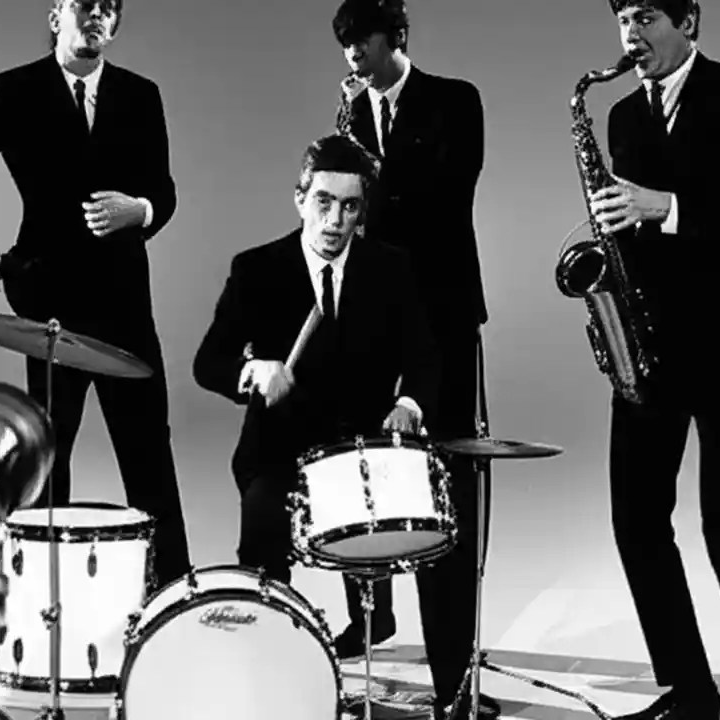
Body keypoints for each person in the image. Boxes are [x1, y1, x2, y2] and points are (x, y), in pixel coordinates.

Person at [0, 0, 192, 588]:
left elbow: (162, 189)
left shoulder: (142, 94)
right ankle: (40, 596)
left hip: (123, 306)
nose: (99, 17)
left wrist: (137, 210)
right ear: (56, 13)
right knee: (46, 458)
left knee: (149, 456)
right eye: (86, 5)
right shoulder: (15, 91)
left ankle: (173, 592)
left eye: (110, 9)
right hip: (49, 303)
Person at [194, 133, 477, 720]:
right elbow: (208, 362)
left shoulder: (390, 267)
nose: (335, 219)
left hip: (367, 449)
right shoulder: (257, 269)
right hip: (282, 454)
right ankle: (274, 681)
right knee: (264, 531)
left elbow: (427, 355)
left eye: (350, 206)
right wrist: (253, 371)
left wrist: (412, 403)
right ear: (300, 198)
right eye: (323, 202)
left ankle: (453, 693)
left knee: (443, 537)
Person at [588, 2, 720, 719]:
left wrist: (664, 206)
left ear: (689, 20)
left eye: (646, 16)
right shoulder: (619, 118)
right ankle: (691, 694)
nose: (630, 36)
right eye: (622, 22)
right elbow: (630, 233)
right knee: (636, 525)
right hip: (647, 352)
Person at [330, 0, 496, 715]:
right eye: (343, 46)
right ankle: (374, 614)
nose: (351, 57)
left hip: (447, 317)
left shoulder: (455, 101)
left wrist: (367, 168)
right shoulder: (349, 115)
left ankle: (455, 674)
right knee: (357, 470)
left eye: (361, 41)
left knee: (447, 491)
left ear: (396, 37)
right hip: (376, 321)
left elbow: (444, 193)